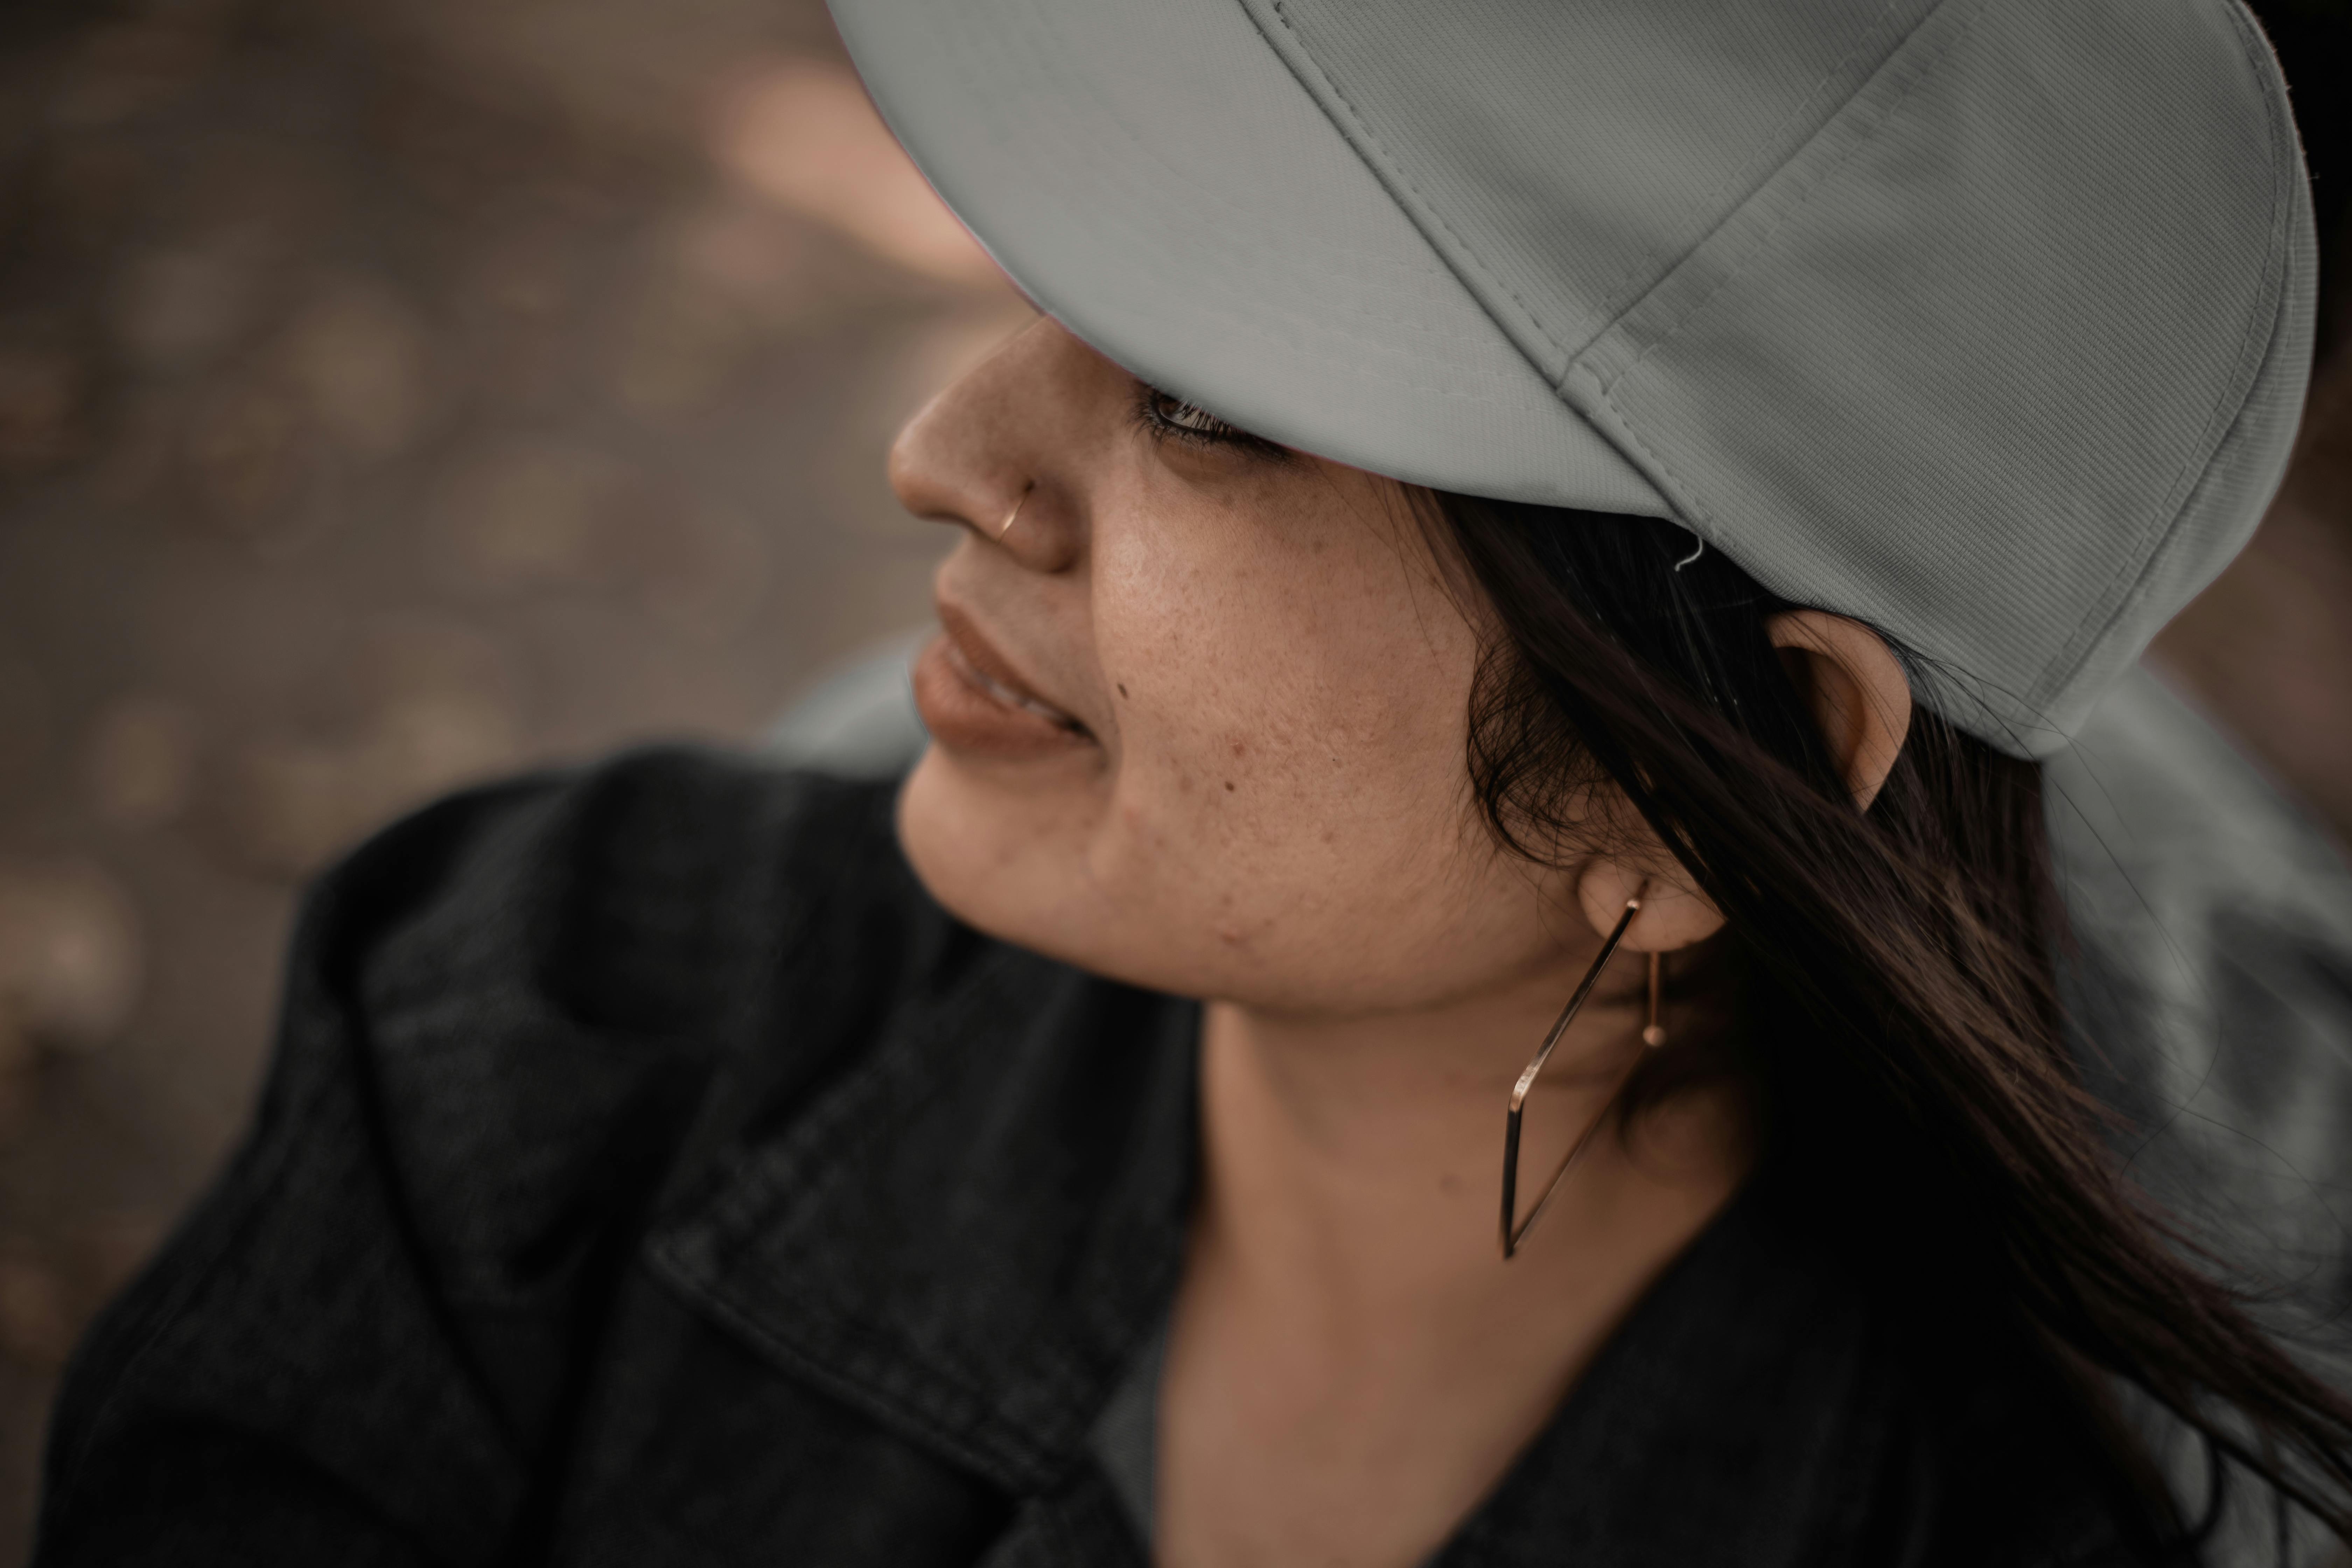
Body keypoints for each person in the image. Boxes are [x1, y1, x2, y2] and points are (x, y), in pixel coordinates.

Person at [34, 3, 2352, 1566]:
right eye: (1068, 305)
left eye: (1213, 407)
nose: (939, 458)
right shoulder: (549, 1037)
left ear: (1713, 779)